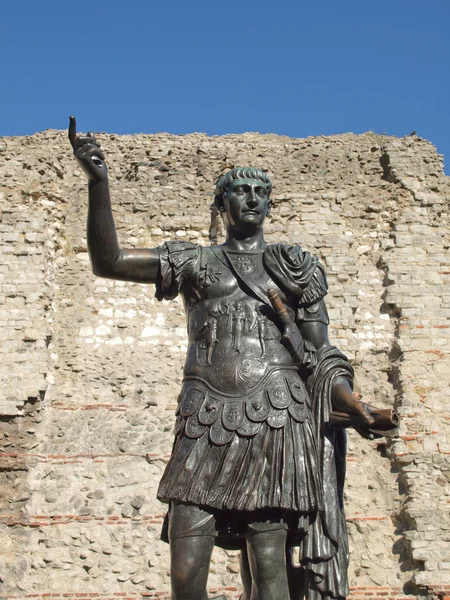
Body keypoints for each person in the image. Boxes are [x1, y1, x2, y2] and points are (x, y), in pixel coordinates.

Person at [69, 118, 378, 600]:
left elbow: (319, 356)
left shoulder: (296, 267)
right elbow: (109, 262)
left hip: (278, 415)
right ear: (221, 204)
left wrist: (349, 402)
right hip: (205, 417)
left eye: (261, 191)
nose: (252, 197)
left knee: (270, 565)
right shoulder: (195, 261)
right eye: (241, 190)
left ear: (270, 203)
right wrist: (99, 183)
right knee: (186, 569)